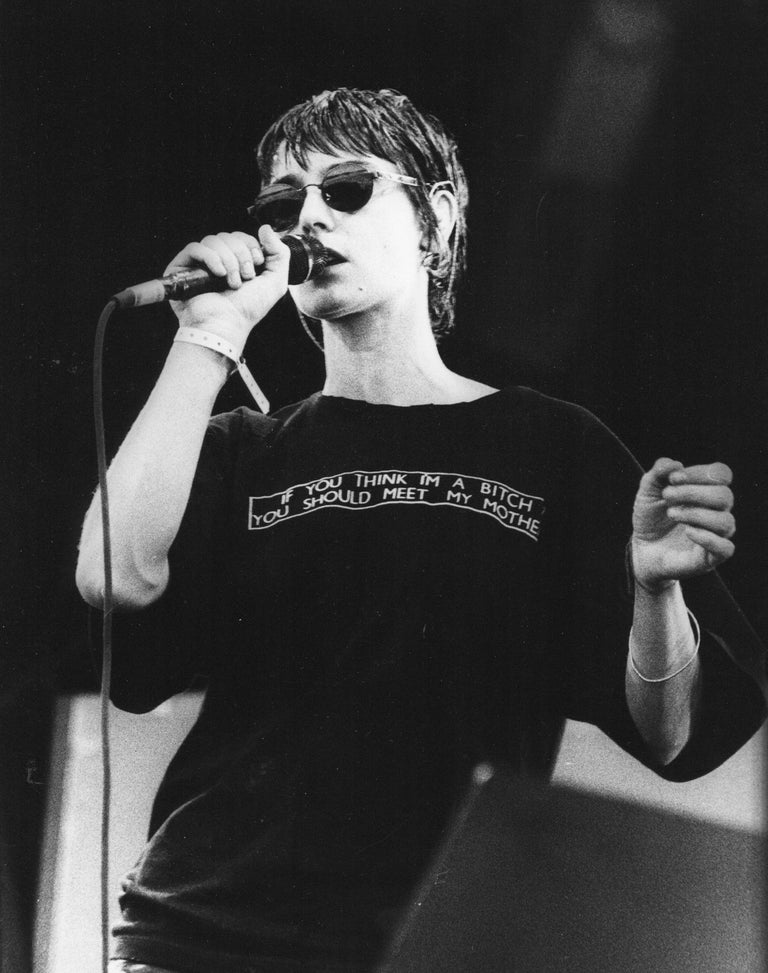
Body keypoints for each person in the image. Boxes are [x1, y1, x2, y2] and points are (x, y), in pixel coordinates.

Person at [76, 88, 766, 973]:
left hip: (435, 939)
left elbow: (671, 734)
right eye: (285, 205)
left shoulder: (552, 445)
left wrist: (654, 586)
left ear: (434, 218)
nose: (310, 217)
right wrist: (204, 340)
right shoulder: (241, 449)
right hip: (204, 933)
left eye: (349, 188)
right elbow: (109, 577)